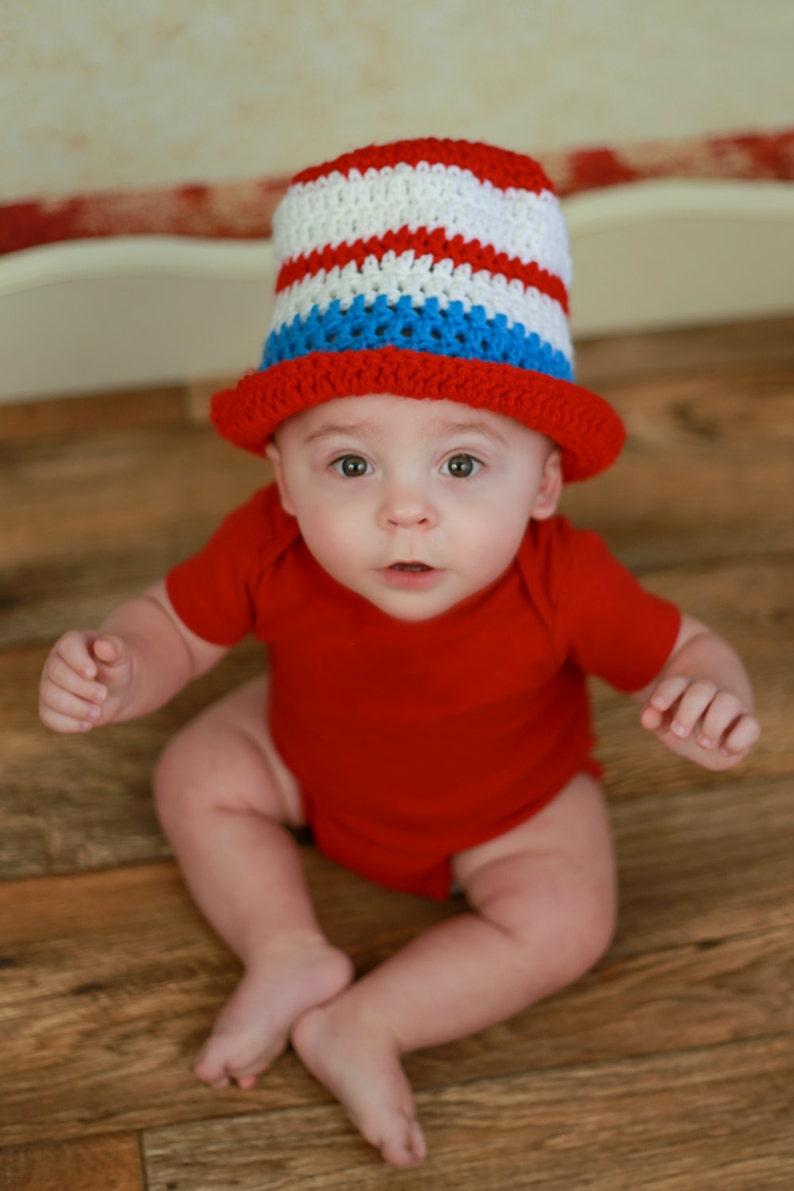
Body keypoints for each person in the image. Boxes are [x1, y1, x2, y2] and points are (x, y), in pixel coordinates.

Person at [39, 139, 760, 1167]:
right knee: (196, 771)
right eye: (349, 463)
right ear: (283, 479)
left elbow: (686, 647)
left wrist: (705, 693)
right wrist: (121, 664)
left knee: (564, 921)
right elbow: (174, 625)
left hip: (510, 808)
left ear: (543, 485)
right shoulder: (267, 544)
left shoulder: (563, 578)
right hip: (304, 758)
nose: (404, 510)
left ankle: (368, 1021)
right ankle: (285, 951)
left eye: (461, 463)